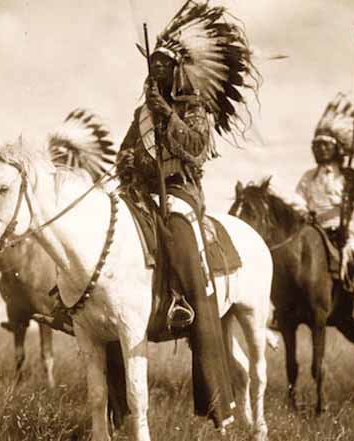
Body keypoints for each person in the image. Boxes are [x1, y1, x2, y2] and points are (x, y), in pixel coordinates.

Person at [116, 0, 259, 429]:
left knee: (180, 239)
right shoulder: (142, 113)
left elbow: (196, 150)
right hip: (142, 194)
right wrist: (125, 173)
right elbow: (126, 153)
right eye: (152, 66)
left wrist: (170, 119)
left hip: (180, 194)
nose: (156, 73)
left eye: (164, 66)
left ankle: (186, 306)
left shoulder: (194, 109)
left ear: (177, 71)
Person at [294, 94, 354, 322]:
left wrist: (351, 230)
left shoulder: (350, 177)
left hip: (342, 231)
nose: (321, 150)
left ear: (336, 149)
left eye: (326, 145)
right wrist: (304, 214)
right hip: (313, 229)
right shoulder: (309, 176)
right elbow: (298, 199)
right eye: (317, 145)